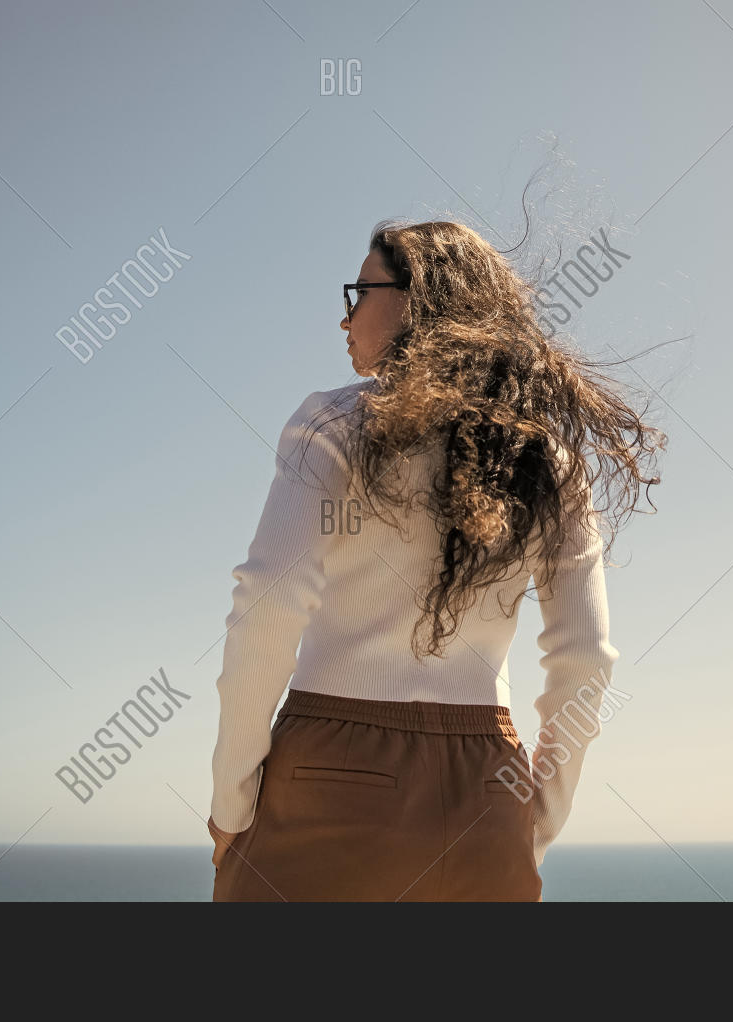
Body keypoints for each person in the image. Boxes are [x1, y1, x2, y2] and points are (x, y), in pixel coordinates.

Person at [206, 218, 664, 901]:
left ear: (419, 299)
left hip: (327, 778)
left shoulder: (330, 424)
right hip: (487, 790)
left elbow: (270, 598)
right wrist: (531, 821)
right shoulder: (550, 460)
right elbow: (587, 661)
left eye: (361, 292)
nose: (346, 318)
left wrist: (232, 801)